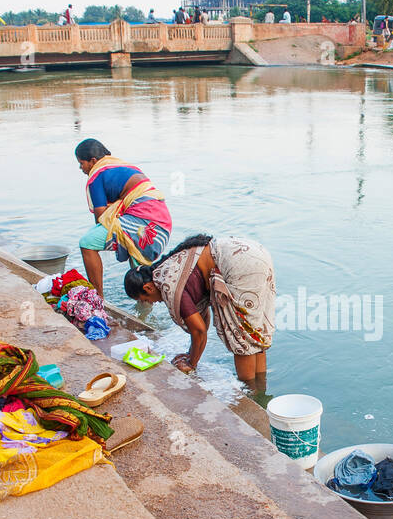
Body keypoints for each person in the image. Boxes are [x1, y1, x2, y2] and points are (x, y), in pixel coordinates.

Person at [124, 234, 275, 382]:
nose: (151, 303)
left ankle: (251, 394)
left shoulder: (170, 285)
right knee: (253, 333)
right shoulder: (168, 267)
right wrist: (190, 354)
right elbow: (199, 328)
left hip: (239, 264)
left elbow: (199, 330)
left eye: (145, 299)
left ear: (148, 287)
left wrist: (191, 363)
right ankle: (260, 388)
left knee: (242, 340)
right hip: (252, 252)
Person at [74, 138, 173, 300]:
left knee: (86, 243)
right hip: (161, 225)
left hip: (144, 222)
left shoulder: (96, 176)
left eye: (81, 163)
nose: (81, 169)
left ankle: (98, 298)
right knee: (141, 279)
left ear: (92, 161)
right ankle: (145, 312)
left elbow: (101, 218)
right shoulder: (123, 166)